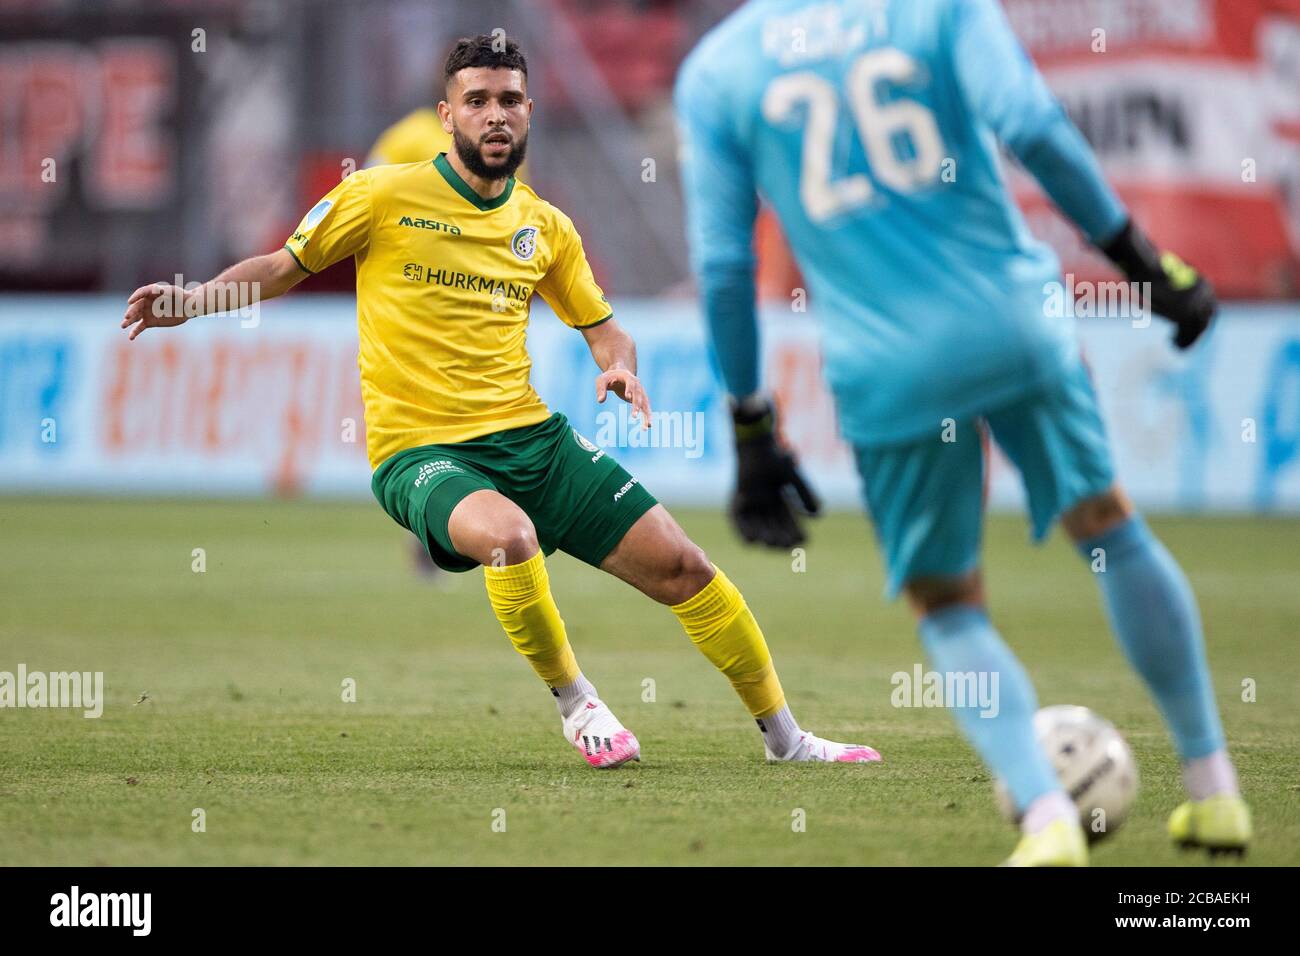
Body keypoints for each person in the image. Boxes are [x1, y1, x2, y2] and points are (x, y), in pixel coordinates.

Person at [122, 34, 881, 771]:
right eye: (477, 100)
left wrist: (619, 368)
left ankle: (788, 740)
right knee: (510, 537)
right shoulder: (380, 195)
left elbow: (604, 329)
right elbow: (282, 268)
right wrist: (191, 300)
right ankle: (580, 705)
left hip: (534, 441)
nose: (495, 115)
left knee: (686, 567)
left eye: (510, 100)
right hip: (421, 453)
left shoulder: (543, 227)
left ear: (528, 112)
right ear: (446, 115)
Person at [675, 0, 1249, 863]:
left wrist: (751, 426)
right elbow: (1032, 125)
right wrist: (1139, 261)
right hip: (1014, 325)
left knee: (946, 605)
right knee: (1110, 529)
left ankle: (1047, 818)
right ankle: (1216, 792)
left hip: (888, 368)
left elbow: (724, 265)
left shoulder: (719, 70)